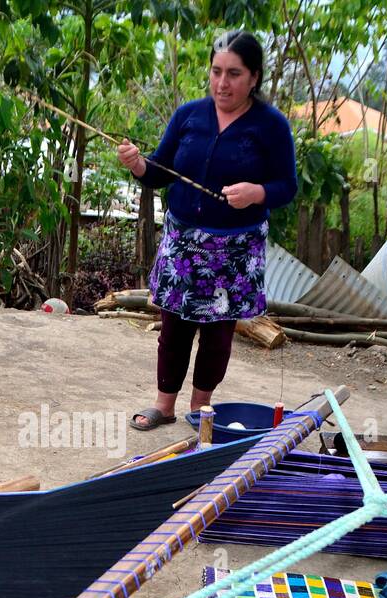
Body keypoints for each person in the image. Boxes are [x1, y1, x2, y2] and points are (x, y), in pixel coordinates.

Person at [117, 29, 298, 431]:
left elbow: (287, 187)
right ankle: (164, 406)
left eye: (234, 74)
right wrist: (136, 163)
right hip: (183, 244)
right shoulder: (189, 116)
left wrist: (257, 193)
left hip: (235, 250)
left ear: (254, 77)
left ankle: (203, 411)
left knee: (217, 333)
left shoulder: (270, 126)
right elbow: (158, 171)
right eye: (216, 72)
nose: (222, 83)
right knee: (174, 327)